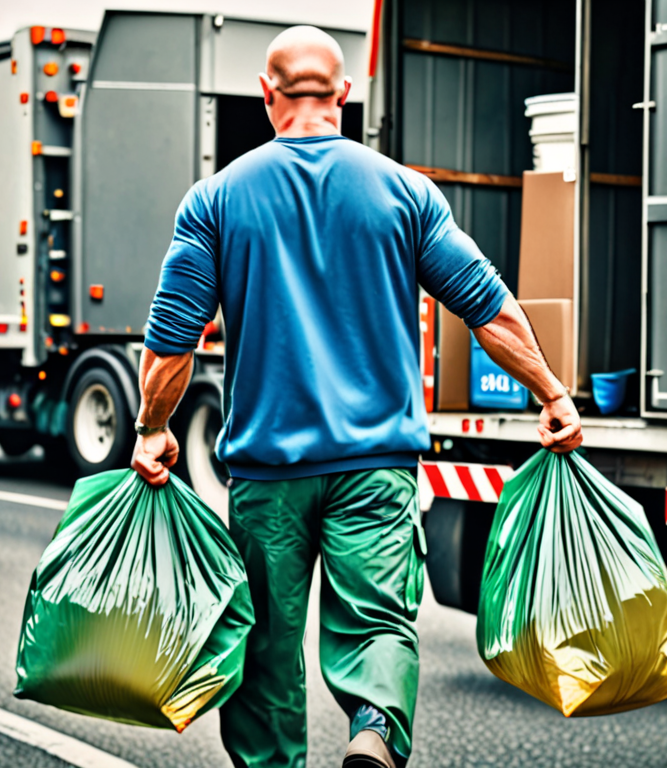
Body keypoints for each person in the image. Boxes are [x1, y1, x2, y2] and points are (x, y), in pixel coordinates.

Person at [131, 25, 583, 768]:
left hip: (268, 477)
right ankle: (374, 732)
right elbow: (488, 308)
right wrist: (552, 394)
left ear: (266, 95)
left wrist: (154, 427)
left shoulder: (215, 200)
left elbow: (171, 343)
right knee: (377, 625)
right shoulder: (404, 193)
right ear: (345, 94)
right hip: (376, 467)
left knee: (265, 650)